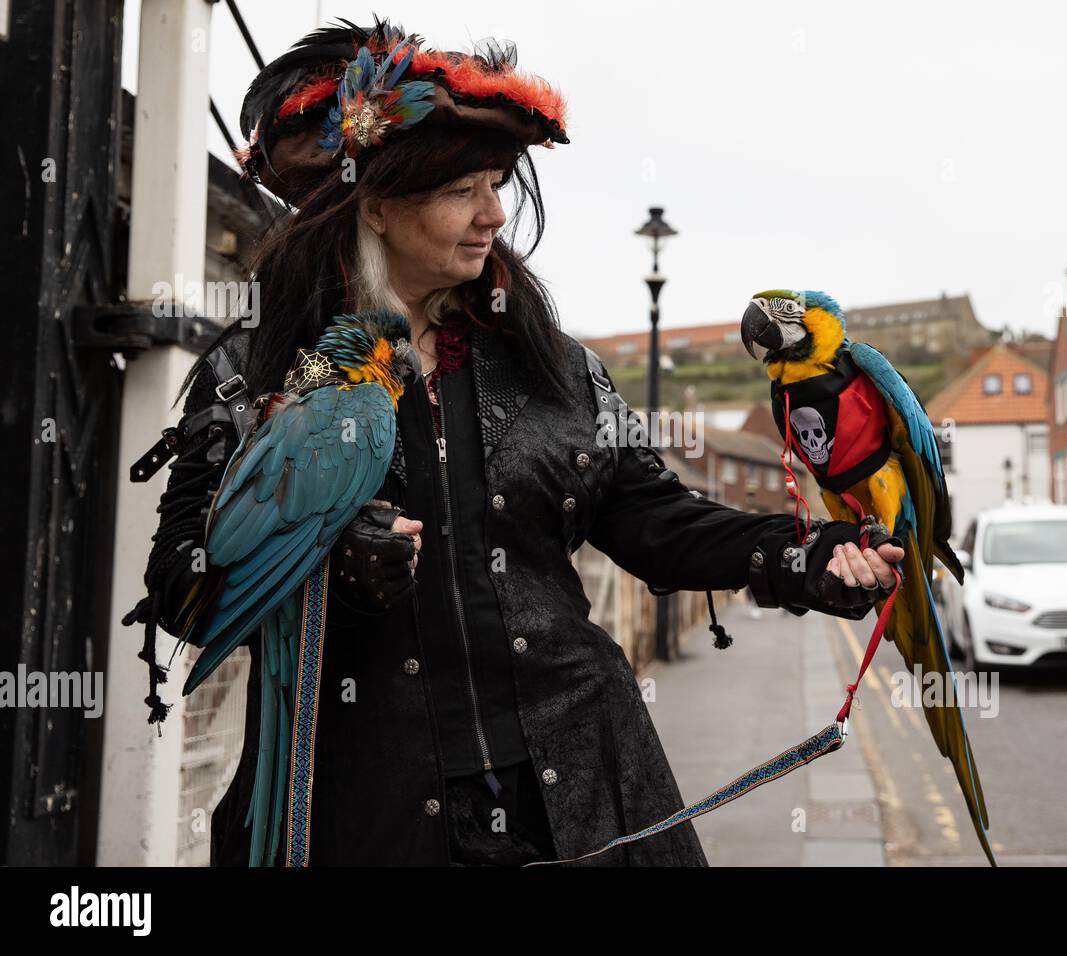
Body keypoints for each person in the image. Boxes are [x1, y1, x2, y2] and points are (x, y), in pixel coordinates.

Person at [122, 18, 904, 867]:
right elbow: (178, 584)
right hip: (363, 813)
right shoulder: (257, 367)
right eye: (464, 190)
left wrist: (801, 554)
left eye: (497, 184)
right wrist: (334, 569)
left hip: (584, 797)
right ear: (374, 203)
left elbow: (656, 521)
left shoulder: (552, 366)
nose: (495, 214)